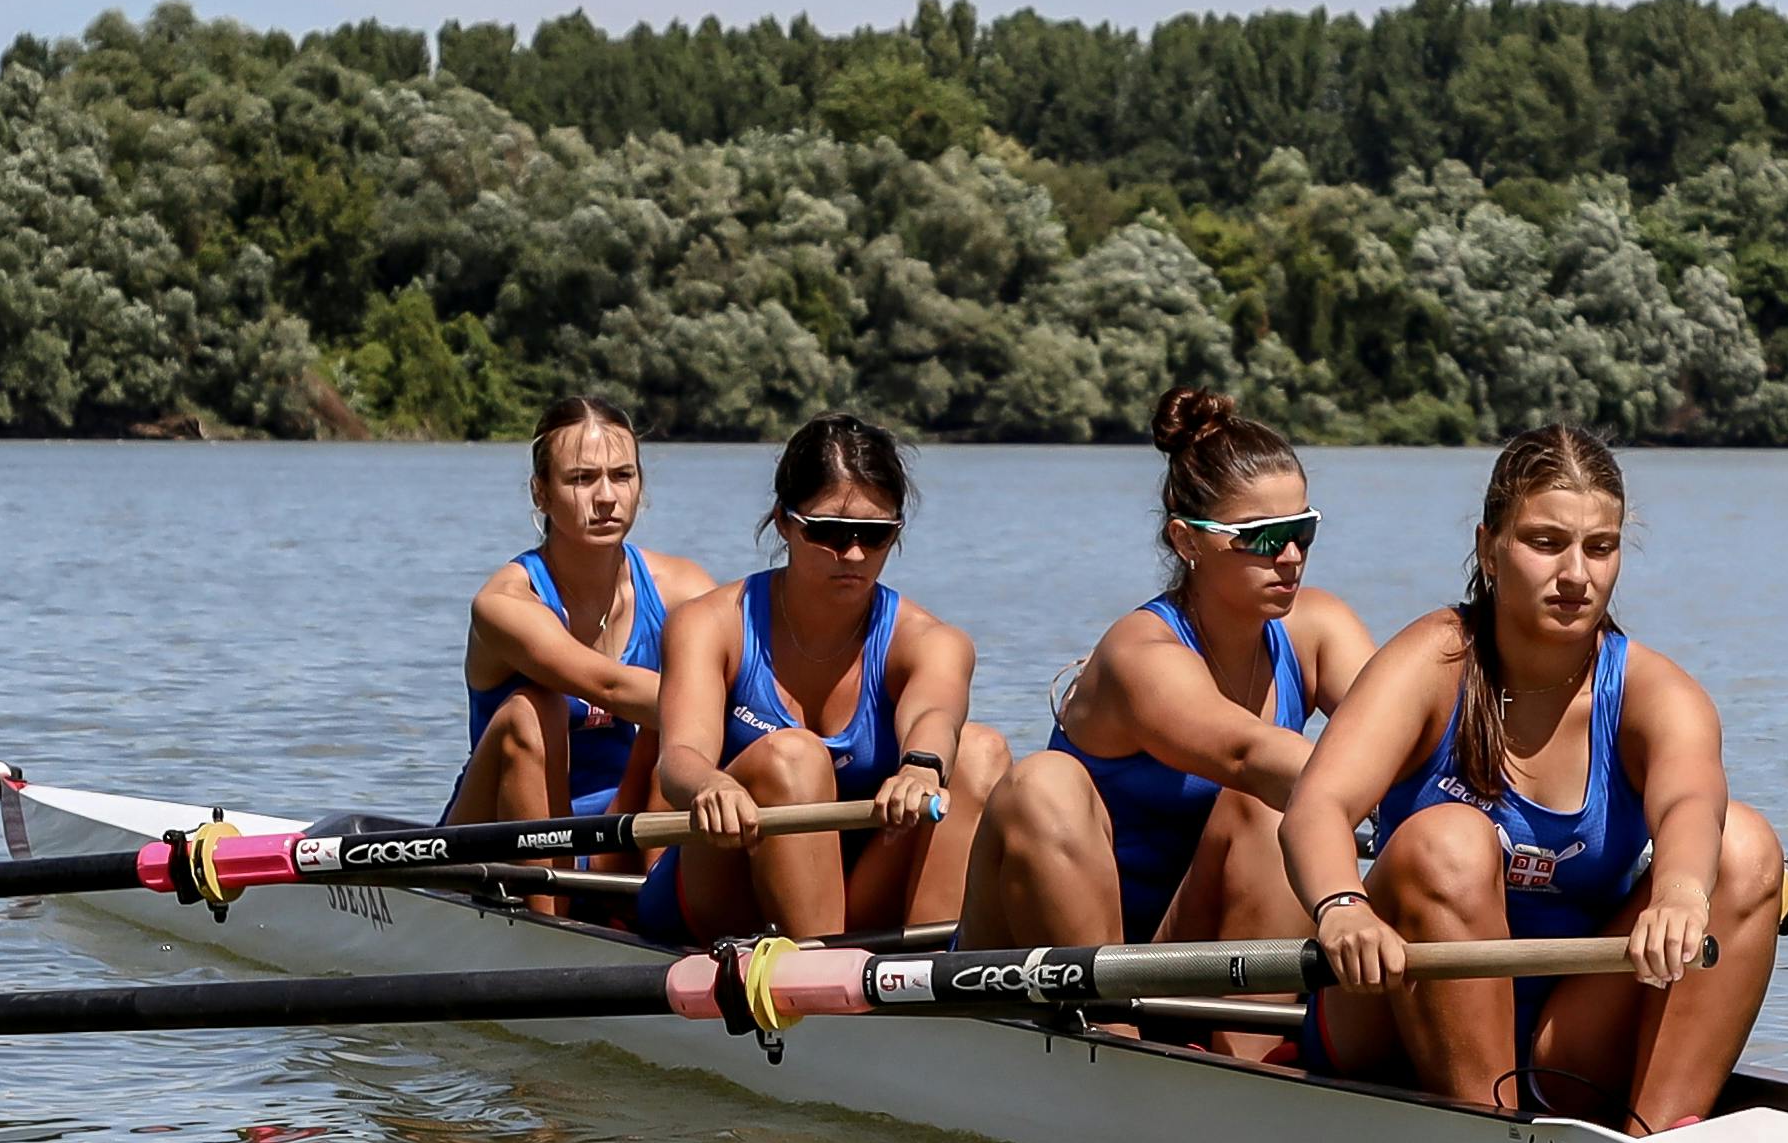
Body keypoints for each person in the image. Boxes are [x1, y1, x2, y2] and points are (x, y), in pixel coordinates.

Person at [1277, 425, 1786, 1131]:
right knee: (1448, 840)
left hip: (1564, 1038)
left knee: (1749, 848)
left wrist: (1678, 891)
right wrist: (1342, 907)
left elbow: (1695, 802)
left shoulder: (1656, 694)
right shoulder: (1434, 660)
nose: (1577, 573)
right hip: (1391, 1006)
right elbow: (1316, 808)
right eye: (1547, 542)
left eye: (1599, 547)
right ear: (1489, 548)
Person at [966, 387, 1382, 958]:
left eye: (1302, 529)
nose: (1289, 556)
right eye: (1261, 536)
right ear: (1186, 539)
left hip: (1183, 945)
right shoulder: (1141, 654)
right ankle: (1110, 1034)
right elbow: (1248, 756)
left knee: (1276, 809)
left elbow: (1406, 736)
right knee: (1043, 780)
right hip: (1064, 947)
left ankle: (1243, 1046)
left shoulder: (1319, 628)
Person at [625, 412, 1005, 943]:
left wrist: (920, 768)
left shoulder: (931, 641)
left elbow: (934, 714)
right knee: (794, 756)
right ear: (784, 521)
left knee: (981, 750)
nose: (853, 554)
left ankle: (929, 985)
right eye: (828, 532)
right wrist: (711, 785)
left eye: (874, 536)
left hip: (859, 899)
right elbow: (680, 758)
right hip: (725, 886)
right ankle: (828, 989)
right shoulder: (709, 624)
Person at [444, 396, 718, 824]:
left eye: (622, 476)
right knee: (534, 709)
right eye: (582, 478)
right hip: (499, 832)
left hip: (621, 827)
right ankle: (546, 892)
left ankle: (654, 886)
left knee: (671, 735)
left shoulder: (683, 589)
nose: (607, 497)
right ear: (542, 493)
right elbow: (609, 687)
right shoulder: (506, 603)